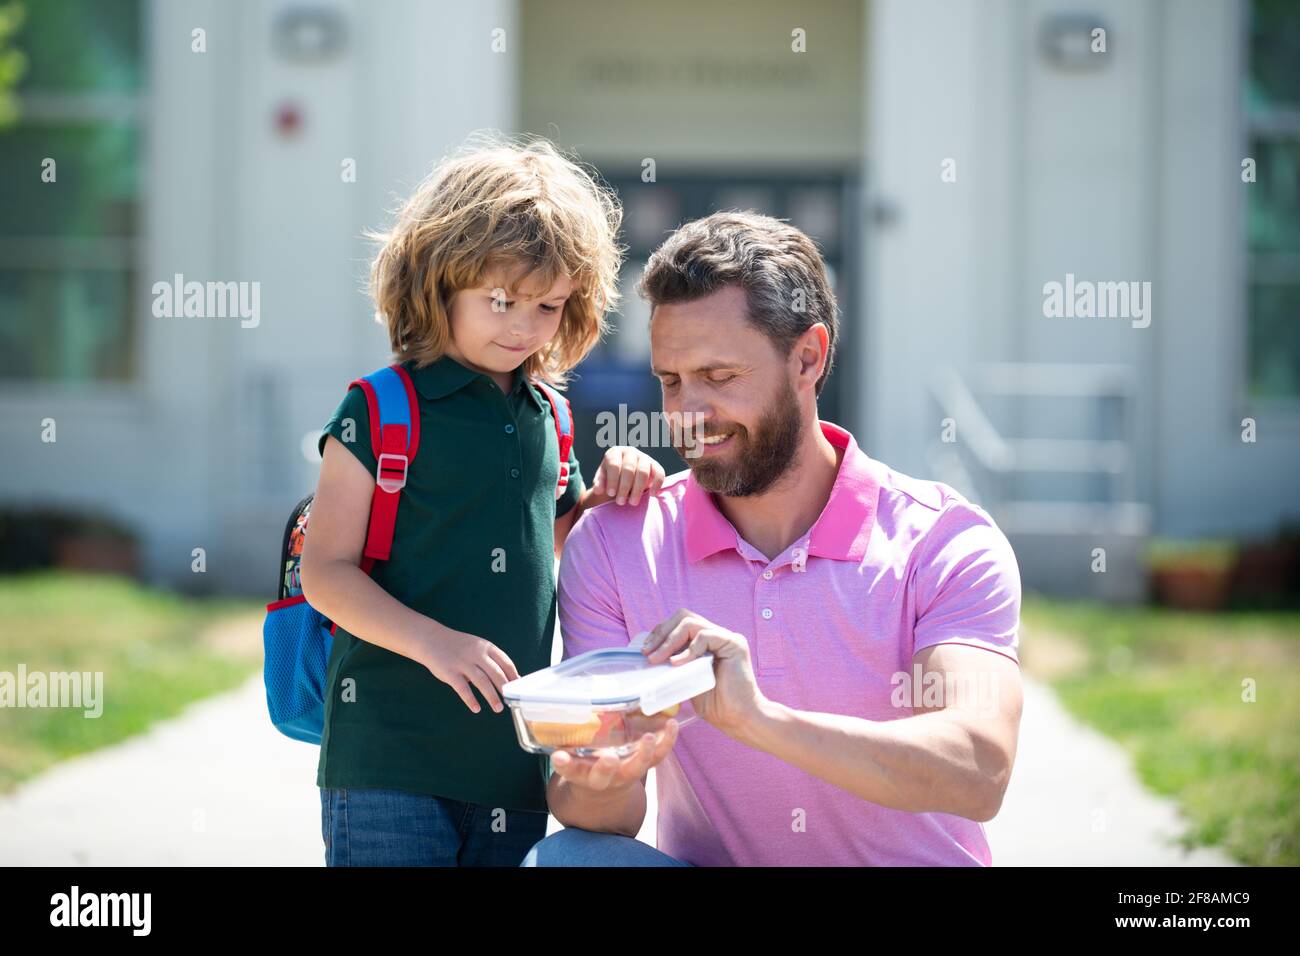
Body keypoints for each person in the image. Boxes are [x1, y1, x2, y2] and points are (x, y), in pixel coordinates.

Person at [525, 210, 1023, 866]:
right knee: (571, 860)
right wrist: (601, 777)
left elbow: (979, 768)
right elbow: (607, 817)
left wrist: (757, 719)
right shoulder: (617, 543)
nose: (688, 414)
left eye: (720, 377)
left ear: (807, 359)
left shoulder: (944, 542)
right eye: (671, 381)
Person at [300, 135, 665, 866]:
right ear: (438, 284)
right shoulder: (381, 407)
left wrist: (617, 483)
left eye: (548, 305)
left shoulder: (551, 418)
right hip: (387, 765)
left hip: (515, 770)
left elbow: (567, 542)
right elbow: (326, 572)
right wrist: (437, 644)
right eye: (500, 300)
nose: (524, 326)